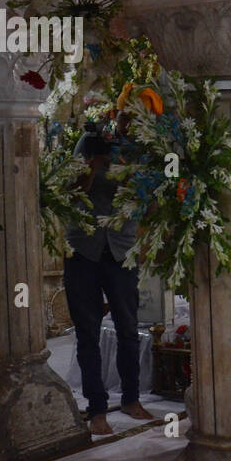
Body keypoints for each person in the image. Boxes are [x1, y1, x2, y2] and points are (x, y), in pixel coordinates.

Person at [64, 111, 153, 436]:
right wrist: (92, 166)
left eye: (134, 119)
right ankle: (97, 409)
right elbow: (70, 191)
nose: (127, 125)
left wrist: (126, 172)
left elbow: (146, 197)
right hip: (83, 246)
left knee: (128, 327)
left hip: (121, 246)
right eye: (124, 119)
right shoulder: (88, 142)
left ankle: (131, 399)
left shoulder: (142, 152)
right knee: (87, 331)